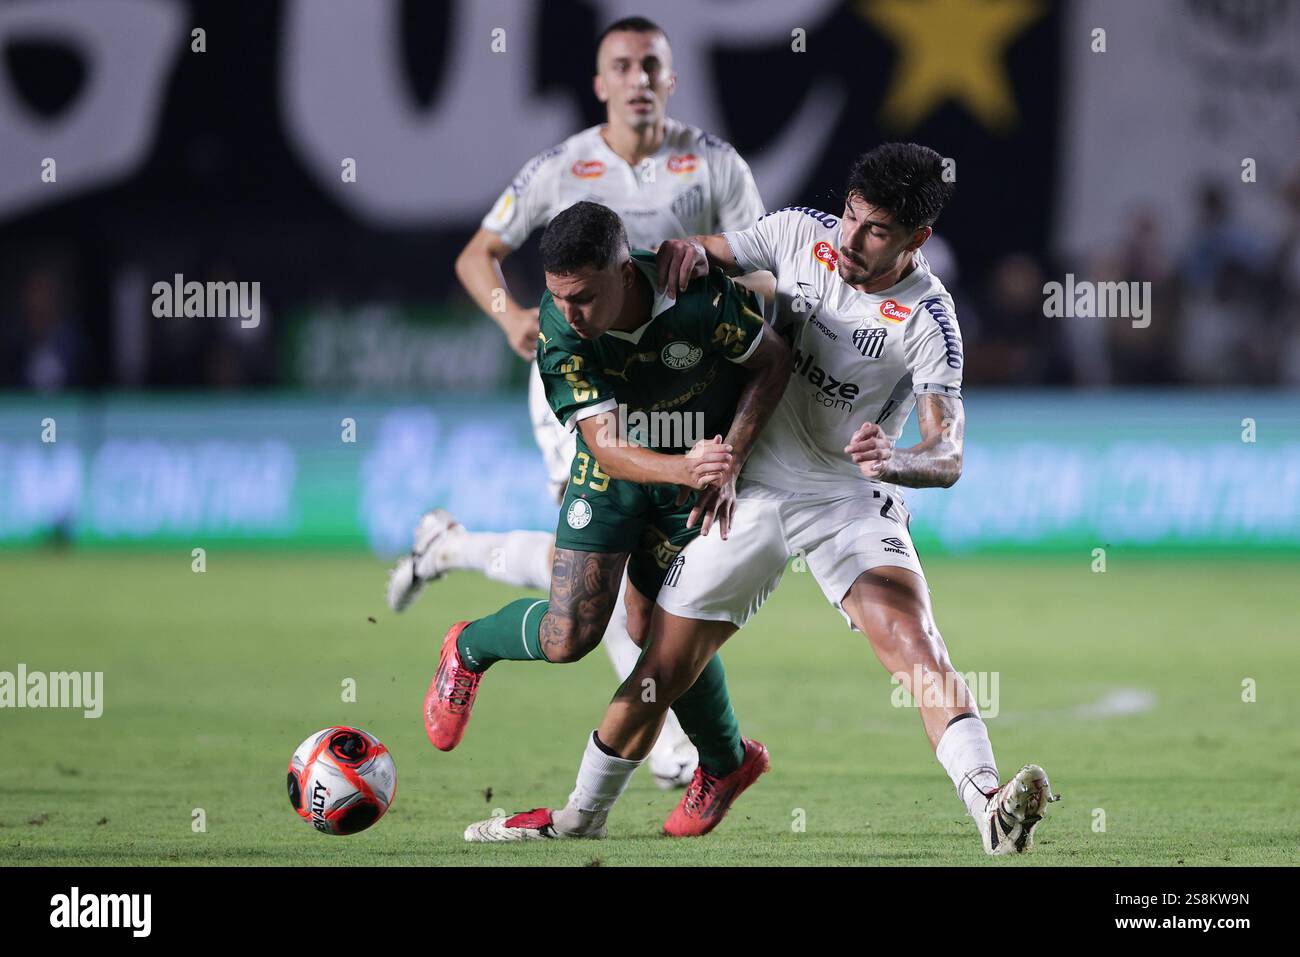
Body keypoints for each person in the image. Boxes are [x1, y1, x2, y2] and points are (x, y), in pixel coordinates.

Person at [463, 144, 1057, 855]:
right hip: (751, 486)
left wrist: (898, 460)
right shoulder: (800, 234)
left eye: (876, 231)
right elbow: (698, 252)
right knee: (660, 668)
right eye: (852, 216)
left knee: (913, 641)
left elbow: (948, 453)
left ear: (916, 240)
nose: (852, 238)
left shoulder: (930, 320)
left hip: (844, 495)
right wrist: (687, 254)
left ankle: (989, 805)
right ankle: (581, 816)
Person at [386, 15, 770, 787]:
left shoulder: (716, 164)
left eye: (652, 66)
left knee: (633, 586)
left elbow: (766, 271)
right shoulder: (562, 167)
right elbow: (479, 254)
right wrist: (513, 317)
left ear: (672, 79)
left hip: (682, 386)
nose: (638, 79)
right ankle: (668, 744)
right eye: (622, 66)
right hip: (589, 389)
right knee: (593, 558)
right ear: (599, 84)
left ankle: (450, 548)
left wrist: (721, 289)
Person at [424, 202, 791, 820]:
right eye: (558, 296)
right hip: (615, 476)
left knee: (660, 634)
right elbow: (605, 446)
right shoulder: (560, 330)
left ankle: (728, 763)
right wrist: (689, 466)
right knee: (569, 638)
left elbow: (773, 360)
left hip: (693, 483)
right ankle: (468, 648)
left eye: (584, 297)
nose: (569, 313)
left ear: (625, 273)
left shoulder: (699, 297)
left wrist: (729, 457)